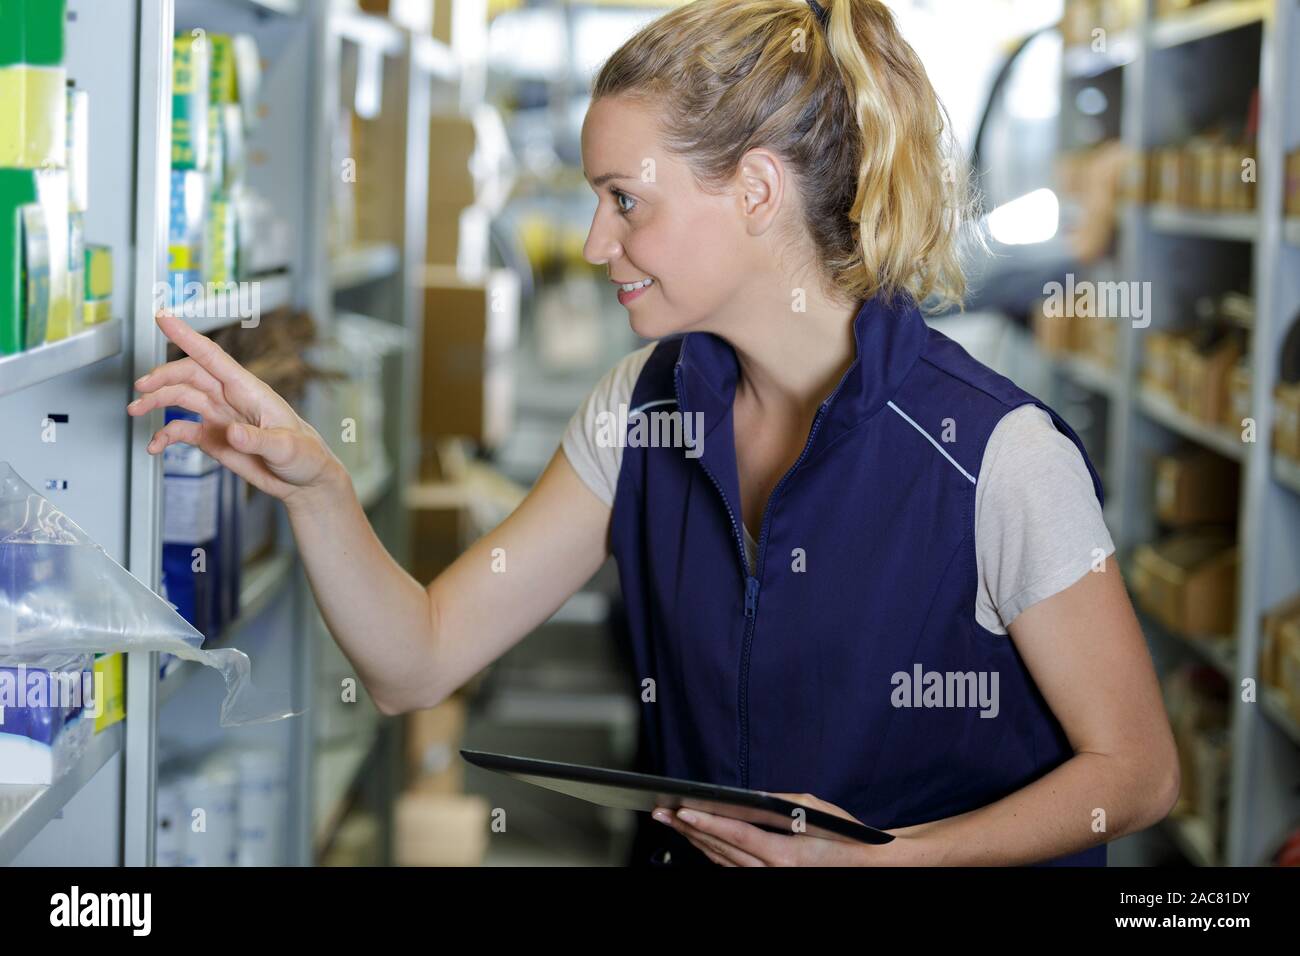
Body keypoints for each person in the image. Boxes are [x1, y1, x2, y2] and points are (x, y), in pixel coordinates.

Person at [128, 0, 1178, 867]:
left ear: (758, 190)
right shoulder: (641, 408)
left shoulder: (992, 453)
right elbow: (417, 661)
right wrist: (318, 489)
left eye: (624, 200)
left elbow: (1136, 772)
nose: (595, 242)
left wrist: (891, 859)